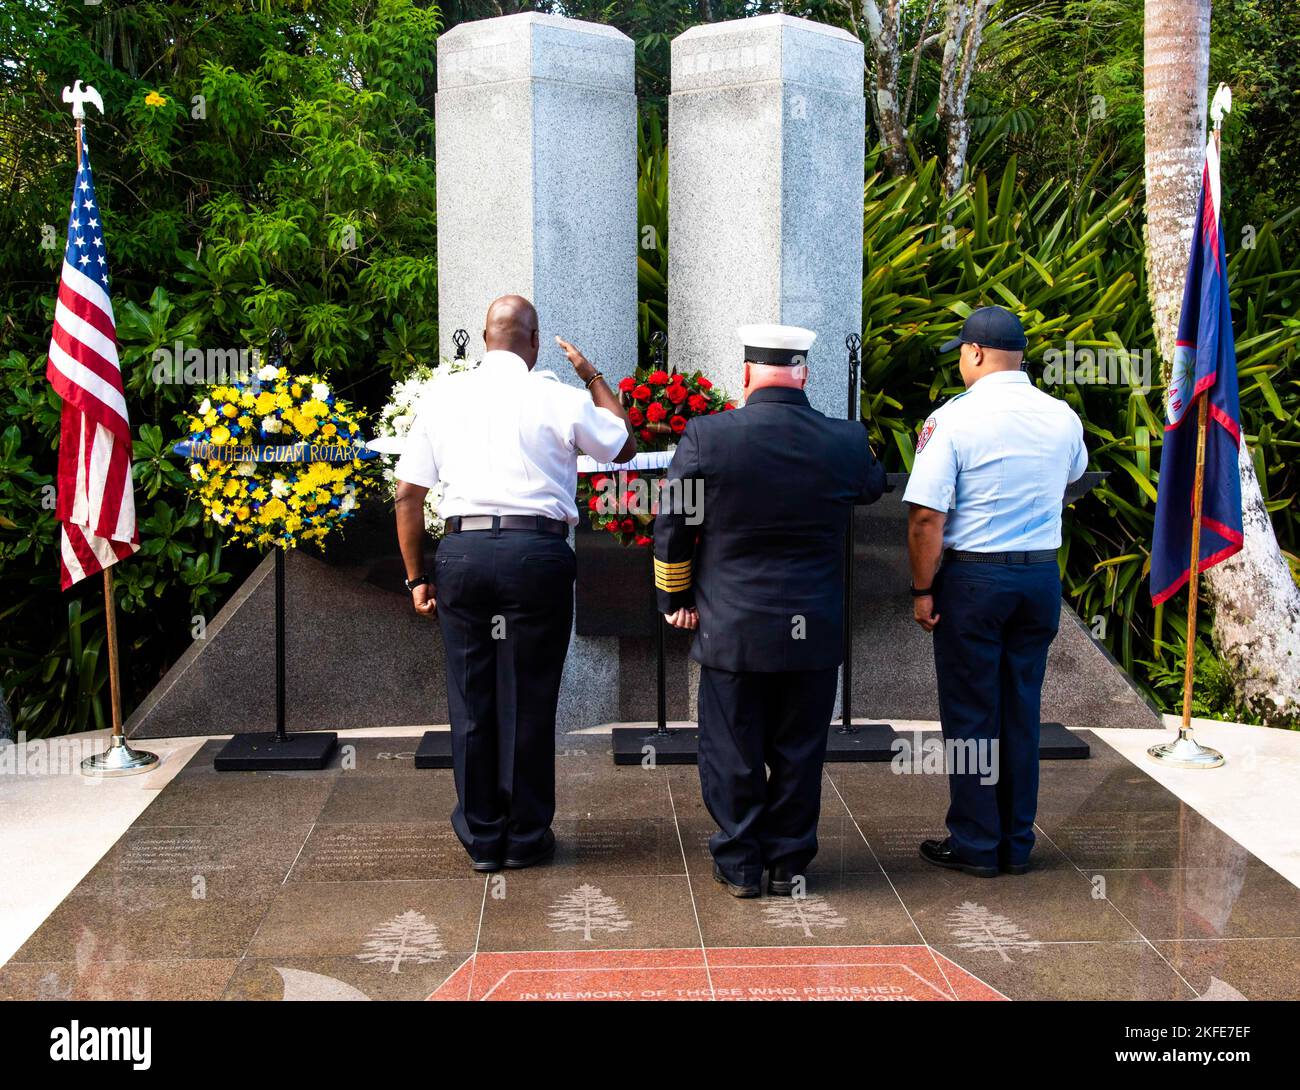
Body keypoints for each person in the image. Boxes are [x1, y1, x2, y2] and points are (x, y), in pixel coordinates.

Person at [394, 295, 635, 872]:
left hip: (464, 552)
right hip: (536, 555)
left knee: (472, 699)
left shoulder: (443, 397)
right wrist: (592, 374)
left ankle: (483, 838)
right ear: (533, 341)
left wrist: (416, 578)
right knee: (530, 697)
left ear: (484, 339)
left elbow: (407, 494)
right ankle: (526, 836)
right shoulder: (558, 394)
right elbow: (623, 446)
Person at [655, 324, 887, 898]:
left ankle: (739, 862)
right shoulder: (846, 440)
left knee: (730, 747)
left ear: (746, 375)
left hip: (732, 625)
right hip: (814, 629)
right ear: (804, 373)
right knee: (800, 749)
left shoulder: (708, 437)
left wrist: (676, 598)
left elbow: (672, 525)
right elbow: (873, 485)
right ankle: (789, 864)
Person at [903, 305, 1087, 877]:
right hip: (1037, 576)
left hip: (976, 580)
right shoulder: (1062, 417)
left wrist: (922, 589)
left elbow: (926, 519)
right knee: (1021, 710)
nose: (960, 363)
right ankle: (1015, 840)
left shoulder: (953, 419)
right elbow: (1073, 483)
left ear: (976, 353)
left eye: (960, 353)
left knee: (970, 713)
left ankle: (977, 845)